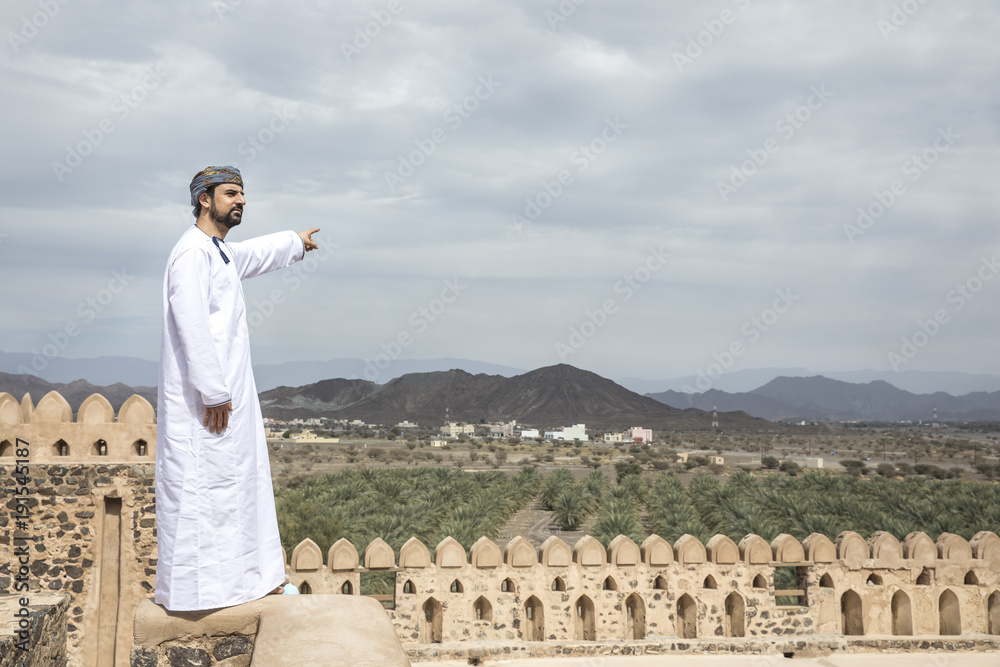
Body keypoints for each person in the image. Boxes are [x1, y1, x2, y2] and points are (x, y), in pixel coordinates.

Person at [154, 165, 319, 611]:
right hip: (206, 403)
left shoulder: (217, 251)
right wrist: (213, 391)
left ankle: (247, 582)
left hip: (227, 398)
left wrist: (294, 242)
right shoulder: (191, 253)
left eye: (243, 194)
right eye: (231, 193)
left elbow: (250, 255)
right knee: (201, 490)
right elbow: (190, 323)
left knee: (237, 487)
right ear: (204, 199)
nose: (240, 200)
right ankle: (198, 592)